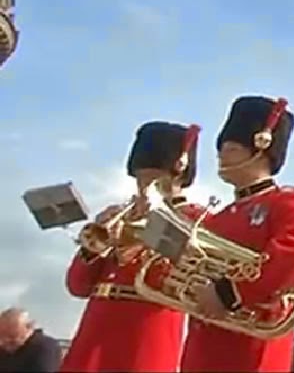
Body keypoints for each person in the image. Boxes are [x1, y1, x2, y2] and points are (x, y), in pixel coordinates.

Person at [179, 96, 294, 372]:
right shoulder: (218, 218)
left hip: (252, 349)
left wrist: (230, 292)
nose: (221, 155)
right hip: (203, 347)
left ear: (261, 146)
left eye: (231, 148)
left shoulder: (289, 202)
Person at [61, 122, 204, 372]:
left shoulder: (195, 218)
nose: (144, 187)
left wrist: (142, 236)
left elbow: (187, 280)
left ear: (178, 173)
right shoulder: (120, 216)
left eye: (153, 179)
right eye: (140, 178)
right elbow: (78, 285)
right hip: (97, 324)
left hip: (148, 328)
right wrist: (92, 249)